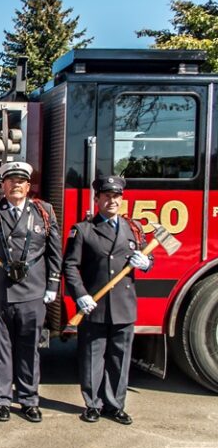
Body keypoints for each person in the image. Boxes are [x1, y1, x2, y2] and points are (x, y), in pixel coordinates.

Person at [0, 161, 62, 423]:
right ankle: (2, 400)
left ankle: (29, 400)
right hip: (1, 291)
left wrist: (53, 285)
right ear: (3, 185)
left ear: (28, 186)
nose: (15, 185)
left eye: (21, 182)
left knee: (29, 350)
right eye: (11, 181)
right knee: (2, 349)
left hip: (33, 292)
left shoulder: (44, 212)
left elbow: (55, 252)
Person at [63, 175, 151, 425]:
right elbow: (69, 266)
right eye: (107, 196)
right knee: (92, 357)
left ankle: (115, 405)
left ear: (122, 200)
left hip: (123, 305)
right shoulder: (83, 230)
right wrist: (80, 295)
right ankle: (92, 404)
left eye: (116, 197)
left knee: (119, 359)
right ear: (97, 199)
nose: (112, 201)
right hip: (95, 305)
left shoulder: (133, 228)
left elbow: (148, 257)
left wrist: (145, 264)